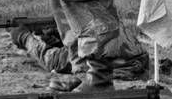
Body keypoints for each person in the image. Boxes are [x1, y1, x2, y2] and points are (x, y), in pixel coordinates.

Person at [10, 20, 148, 90]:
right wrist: (60, 40)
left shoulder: (81, 36)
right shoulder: (104, 14)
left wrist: (23, 37)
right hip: (139, 60)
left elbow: (52, 60)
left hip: (115, 71)